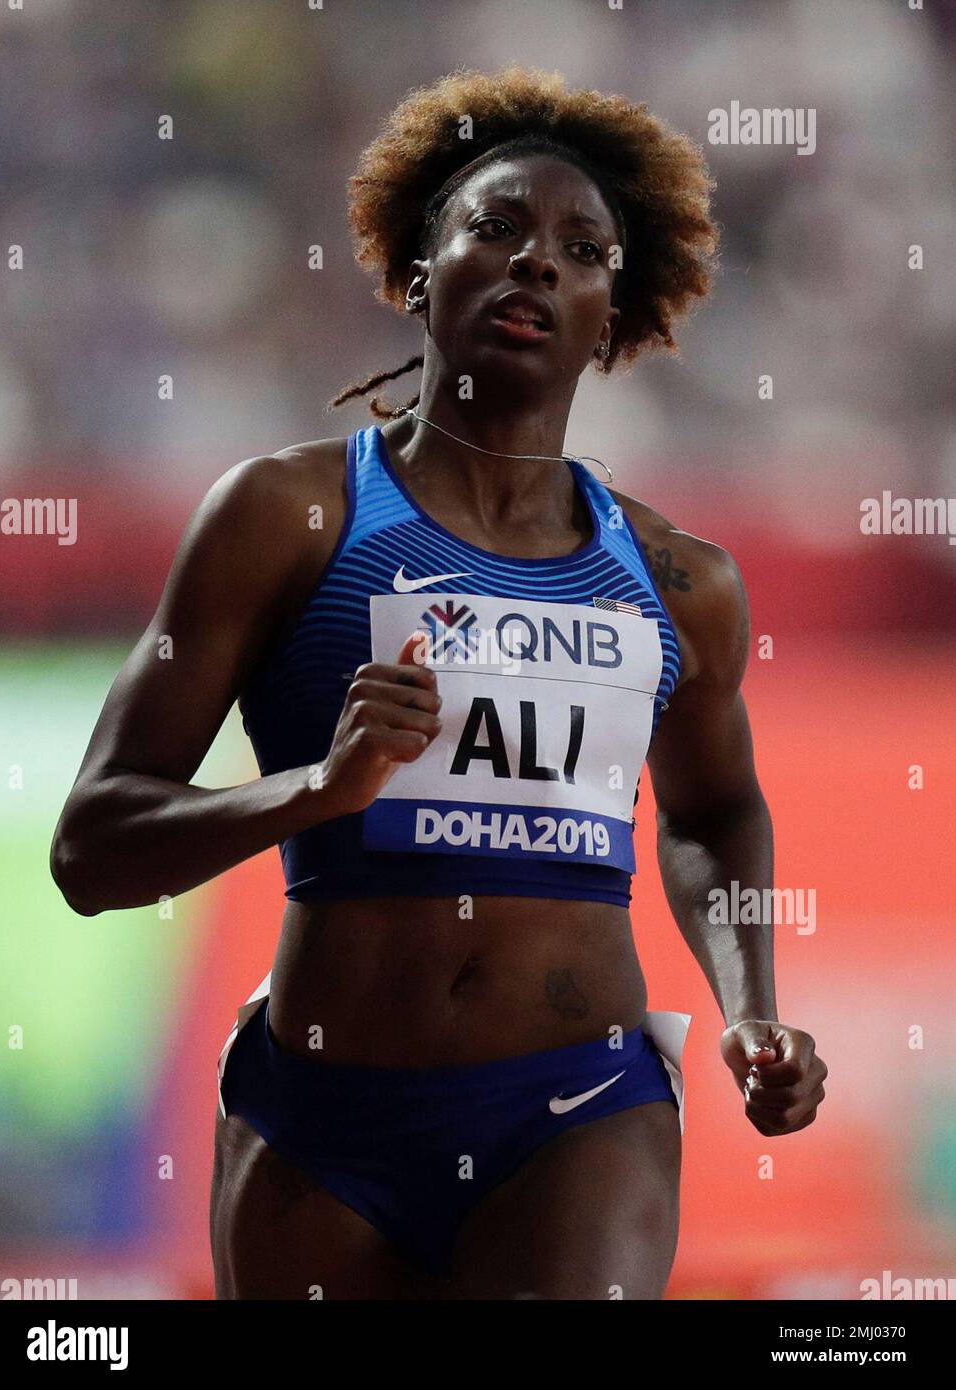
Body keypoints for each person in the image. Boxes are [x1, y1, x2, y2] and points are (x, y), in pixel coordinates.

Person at [50, 66, 827, 1301]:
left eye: (580, 251)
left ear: (611, 317)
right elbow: (91, 848)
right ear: (421, 274)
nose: (534, 264)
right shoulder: (286, 514)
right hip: (317, 1116)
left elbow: (714, 810)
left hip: (573, 1106)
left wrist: (750, 1002)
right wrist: (317, 786)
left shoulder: (680, 583)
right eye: (495, 229)